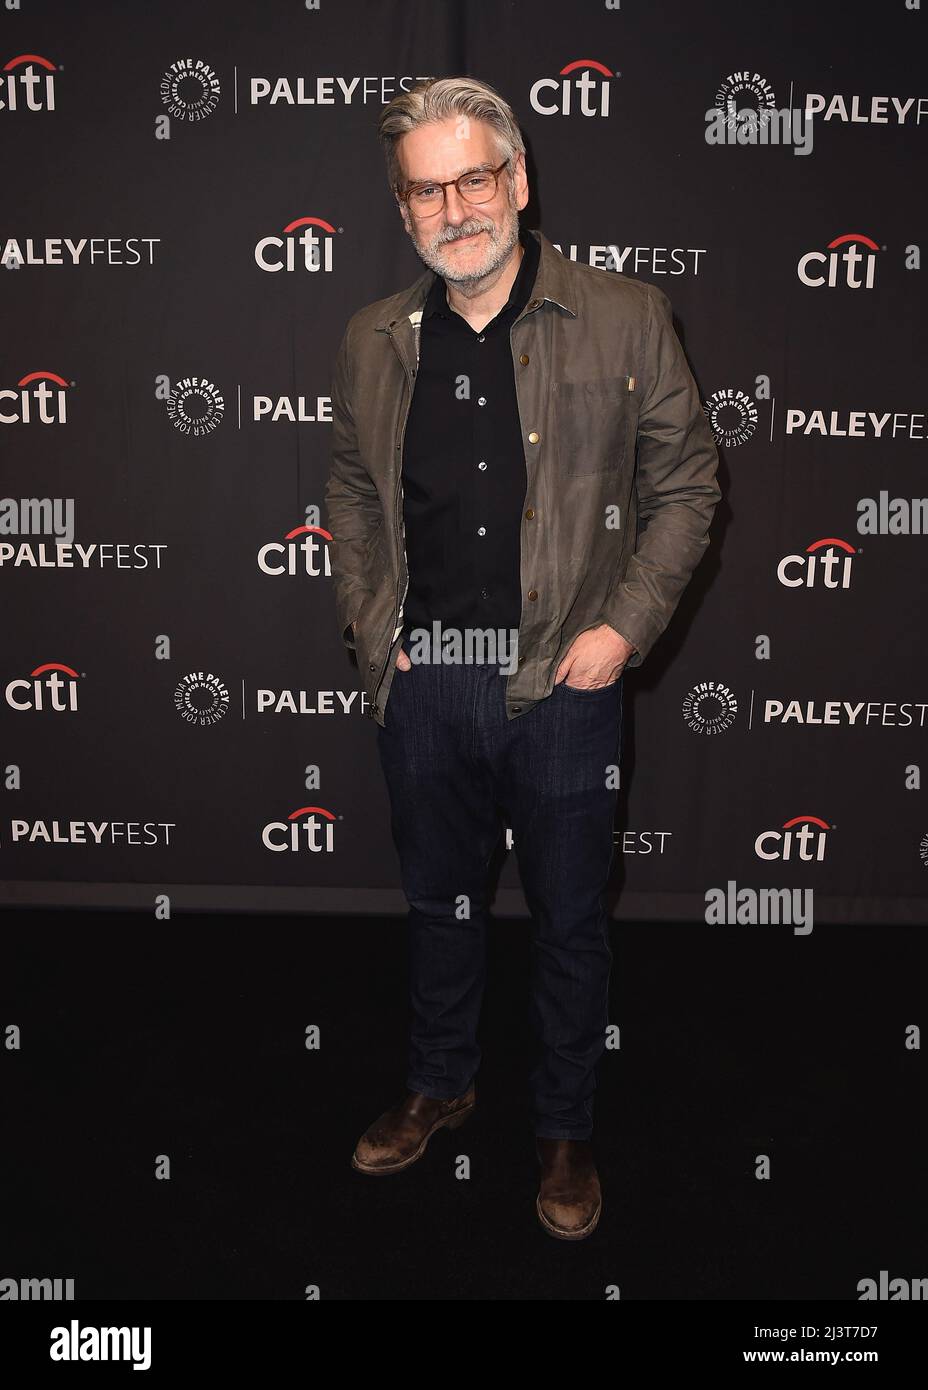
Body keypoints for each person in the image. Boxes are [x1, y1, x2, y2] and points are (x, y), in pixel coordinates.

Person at [324, 76, 721, 1240]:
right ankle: (443, 1081)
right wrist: (372, 625)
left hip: (566, 682)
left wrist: (622, 631)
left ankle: (562, 1126)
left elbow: (689, 486)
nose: (456, 208)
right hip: (427, 679)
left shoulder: (625, 316)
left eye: (474, 178)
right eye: (427, 189)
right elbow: (350, 489)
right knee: (438, 904)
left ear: (519, 180)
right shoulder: (370, 339)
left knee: (567, 921)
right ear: (403, 210)